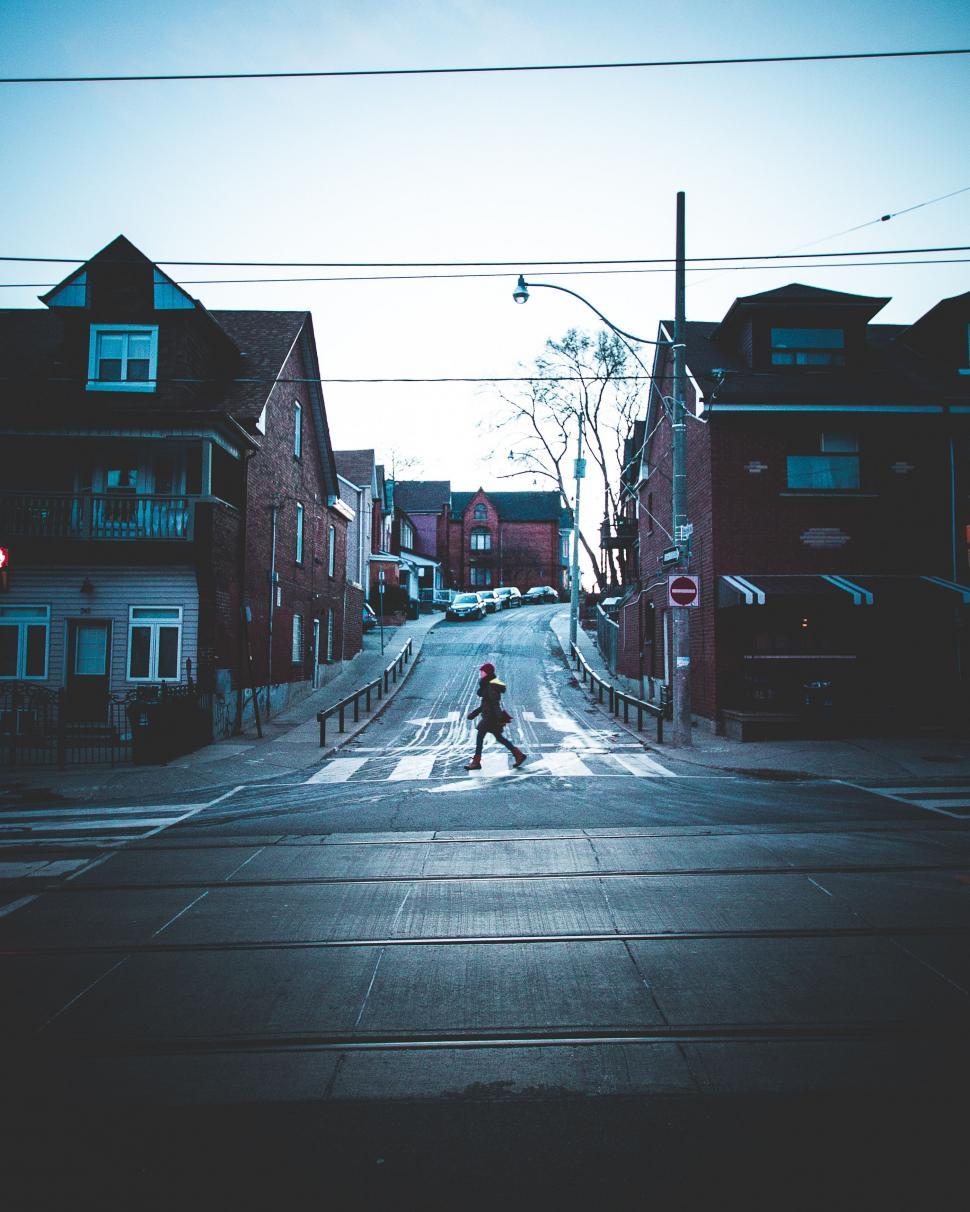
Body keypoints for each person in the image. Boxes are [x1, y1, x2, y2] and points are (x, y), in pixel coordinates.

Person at [464, 661, 527, 770]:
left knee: (480, 737)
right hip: (490, 716)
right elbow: (486, 703)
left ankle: (476, 762)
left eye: (483, 672)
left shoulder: (491, 685)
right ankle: (519, 755)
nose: (481, 674)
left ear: (487, 673)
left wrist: (499, 717)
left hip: (490, 717)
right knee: (499, 738)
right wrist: (475, 713)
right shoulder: (488, 684)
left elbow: (493, 703)